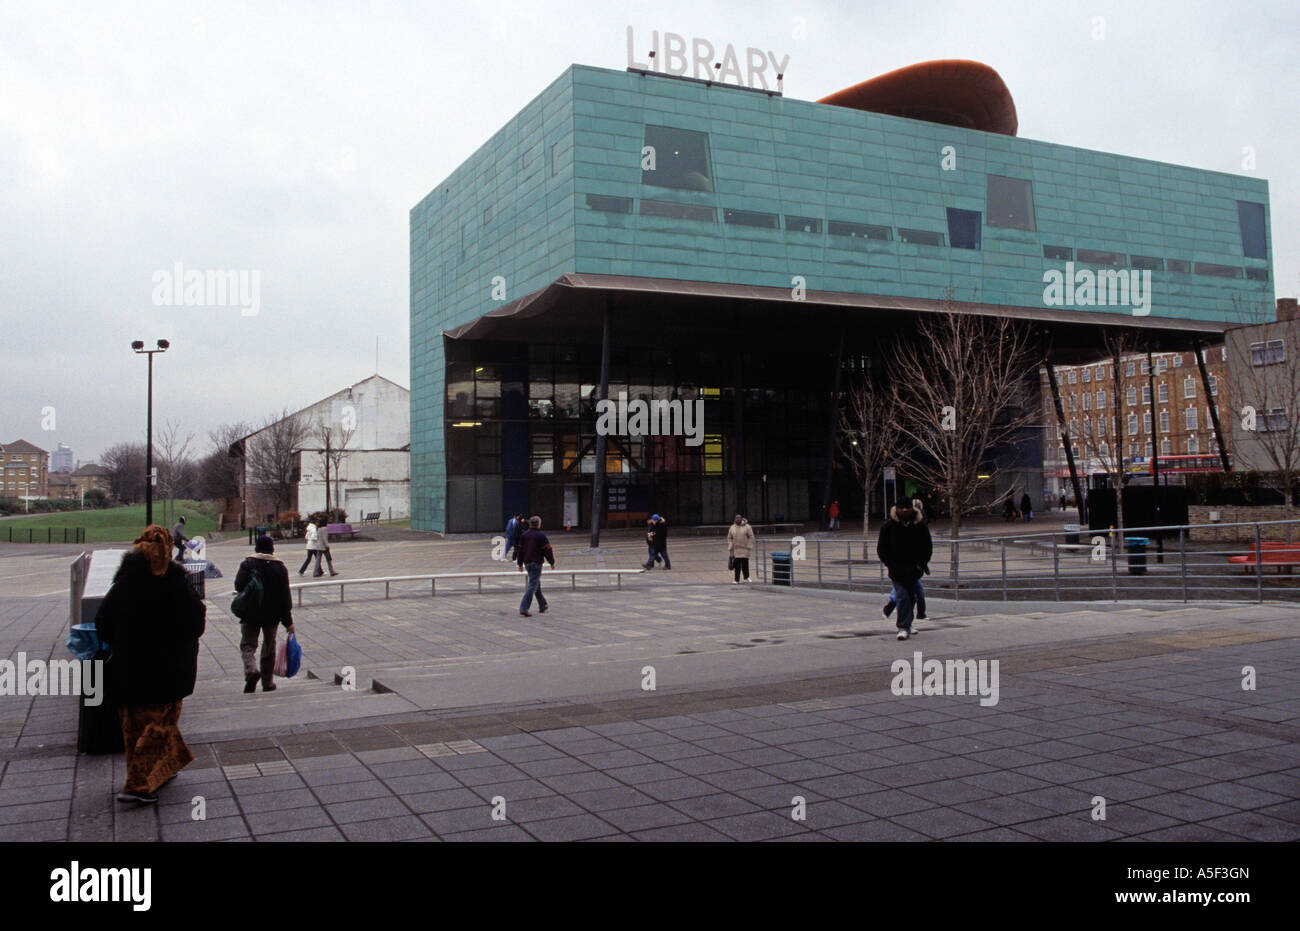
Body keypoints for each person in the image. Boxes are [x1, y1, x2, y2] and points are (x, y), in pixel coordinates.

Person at [94, 524, 206, 804]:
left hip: (129, 672)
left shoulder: (124, 584)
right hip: (169, 672)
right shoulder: (178, 585)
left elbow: (103, 624)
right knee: (161, 723)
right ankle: (138, 784)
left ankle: (164, 768)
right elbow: (196, 623)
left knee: (134, 728)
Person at [234, 535, 296, 693]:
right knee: (269, 647)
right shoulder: (280, 567)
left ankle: (251, 670)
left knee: (248, 645)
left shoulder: (248, 563)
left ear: (256, 547)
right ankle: (267, 683)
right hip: (272, 615)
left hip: (250, 613)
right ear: (272, 548)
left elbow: (238, 585)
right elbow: (285, 597)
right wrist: (288, 622)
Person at [876, 501, 932, 641]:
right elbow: (882, 548)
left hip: (913, 569)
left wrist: (921, 564)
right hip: (897, 570)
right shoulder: (889, 526)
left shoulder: (919, 526)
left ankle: (908, 623)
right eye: (902, 508)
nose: (905, 511)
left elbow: (927, 547)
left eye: (907, 508)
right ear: (897, 509)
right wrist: (890, 564)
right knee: (902, 596)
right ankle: (902, 627)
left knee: (912, 596)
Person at [516, 515, 554, 617]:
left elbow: (520, 550)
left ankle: (542, 604)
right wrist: (551, 562)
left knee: (536, 583)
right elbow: (548, 550)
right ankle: (524, 607)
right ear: (539, 524)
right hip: (536, 563)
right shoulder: (541, 535)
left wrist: (519, 564)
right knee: (533, 585)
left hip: (527, 563)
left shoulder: (524, 535)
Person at [727, 514, 755, 583]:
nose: (738, 519)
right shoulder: (732, 527)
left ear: (741, 519)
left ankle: (747, 577)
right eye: (736, 518)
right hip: (736, 550)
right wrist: (730, 545)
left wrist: (749, 546)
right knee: (737, 566)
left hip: (744, 549)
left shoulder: (747, 527)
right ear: (735, 519)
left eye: (739, 518)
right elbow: (729, 537)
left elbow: (751, 537)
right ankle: (736, 580)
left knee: (745, 564)